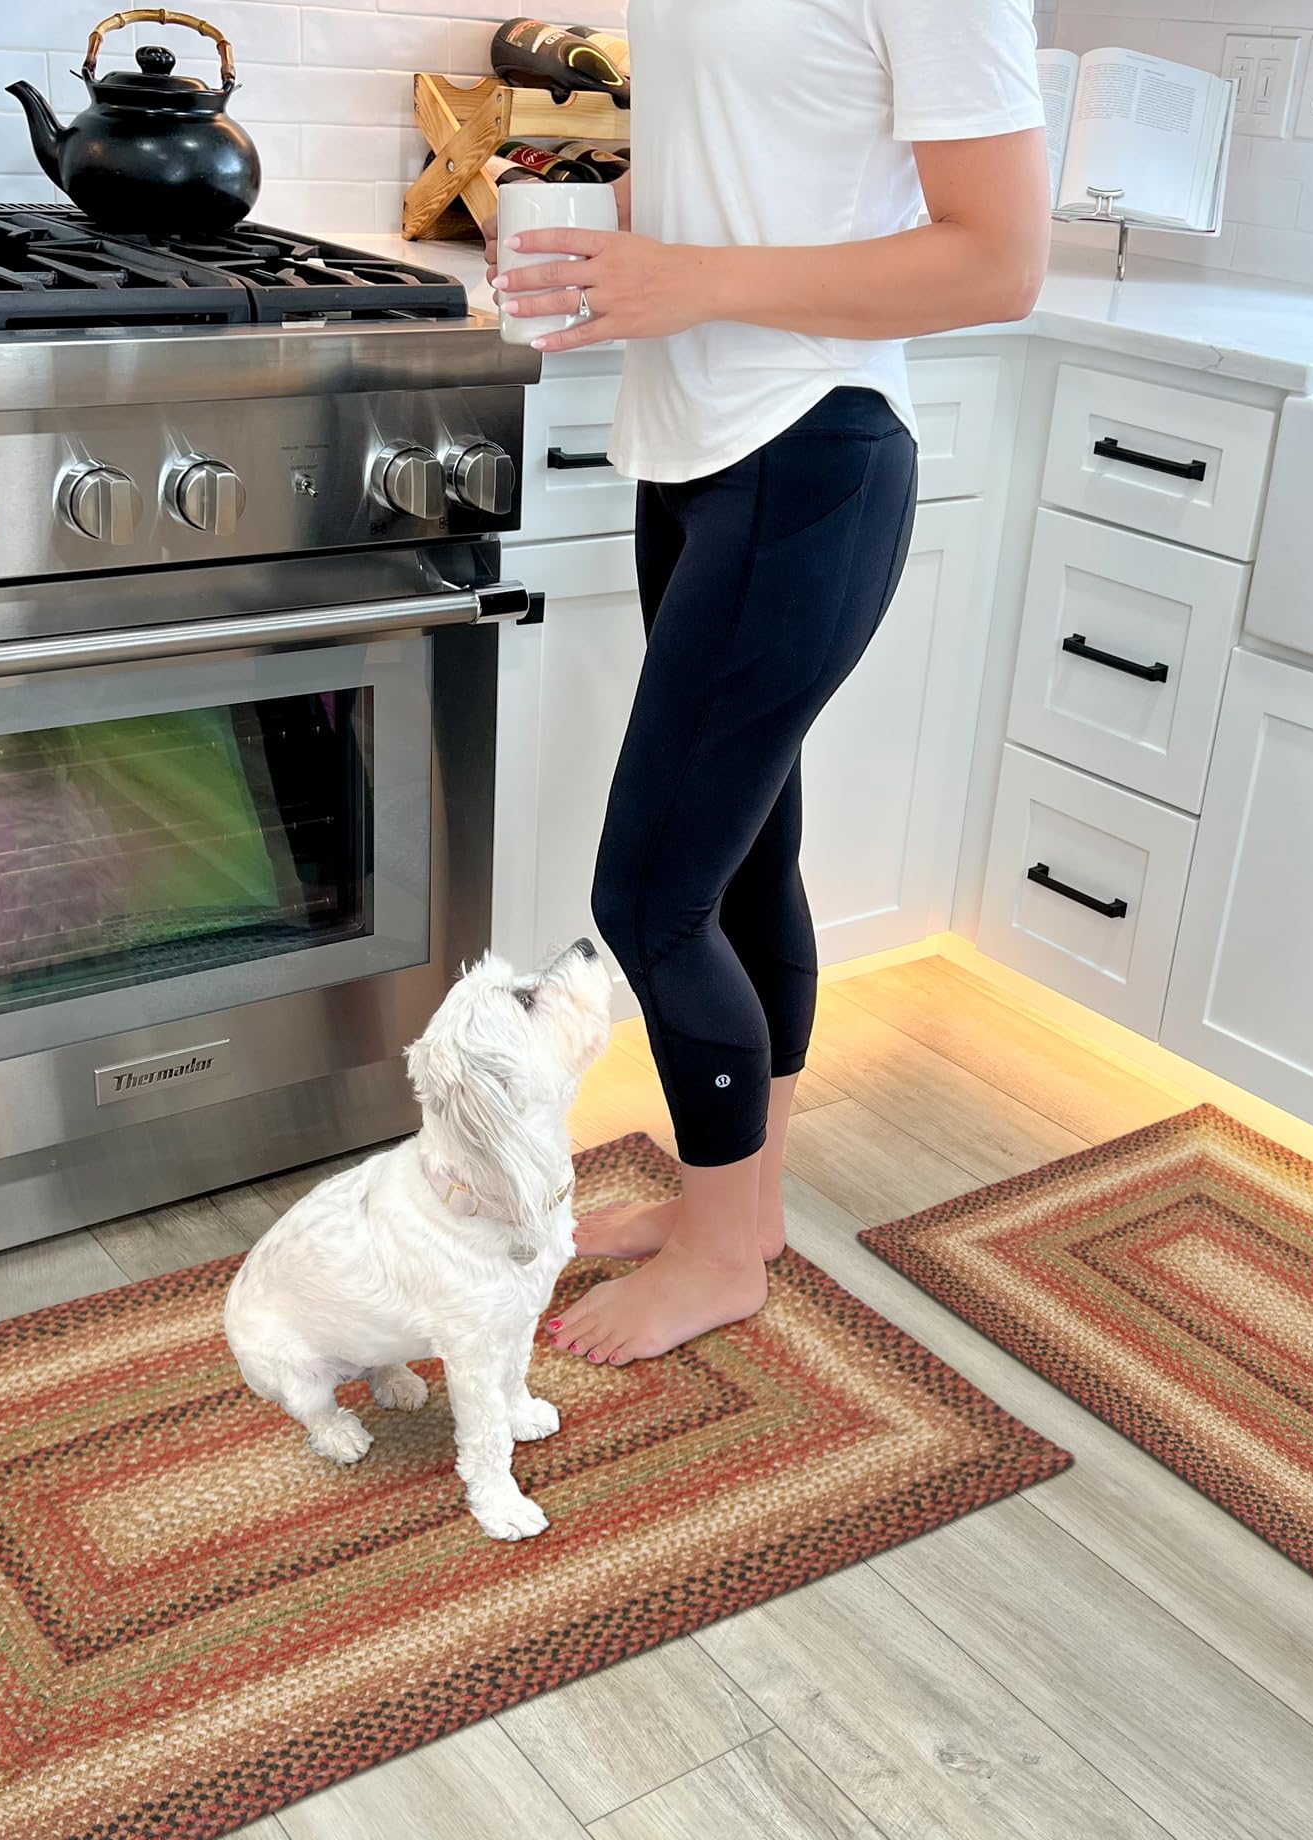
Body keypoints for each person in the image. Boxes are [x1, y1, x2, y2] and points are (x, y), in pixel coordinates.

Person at [491, 0, 1051, 1367]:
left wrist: (699, 281)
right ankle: (740, 1210)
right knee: (743, 869)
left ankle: (720, 1257)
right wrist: (618, 230)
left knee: (649, 898)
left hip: (811, 455)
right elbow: (762, 156)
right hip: (688, 452)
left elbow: (999, 261)